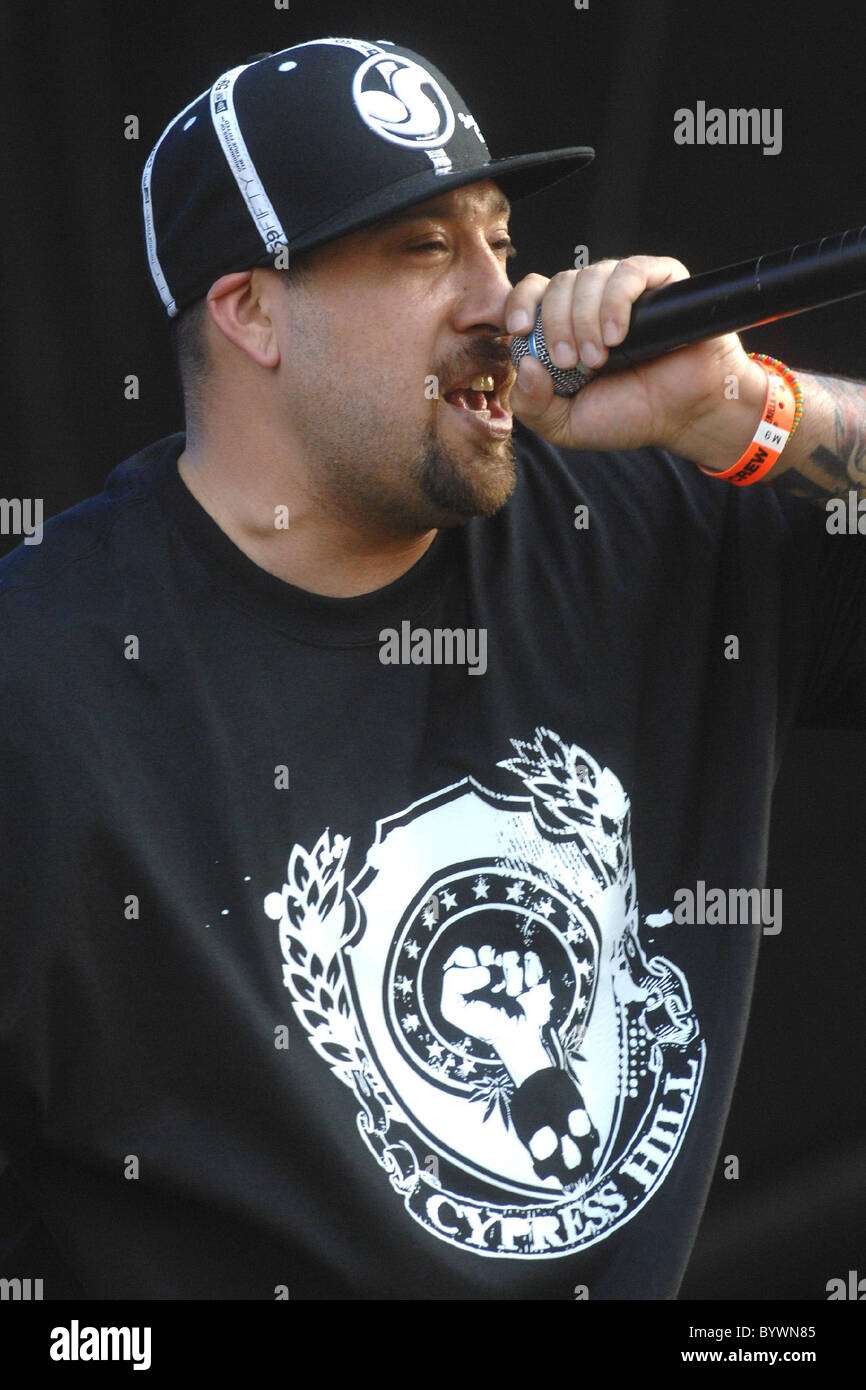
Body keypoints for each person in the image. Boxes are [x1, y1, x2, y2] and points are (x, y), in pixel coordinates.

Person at [0, 36, 863, 1301]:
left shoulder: (641, 520)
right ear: (249, 311)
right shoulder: (44, 689)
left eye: (500, 240)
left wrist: (743, 413)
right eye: (422, 249)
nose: (498, 299)